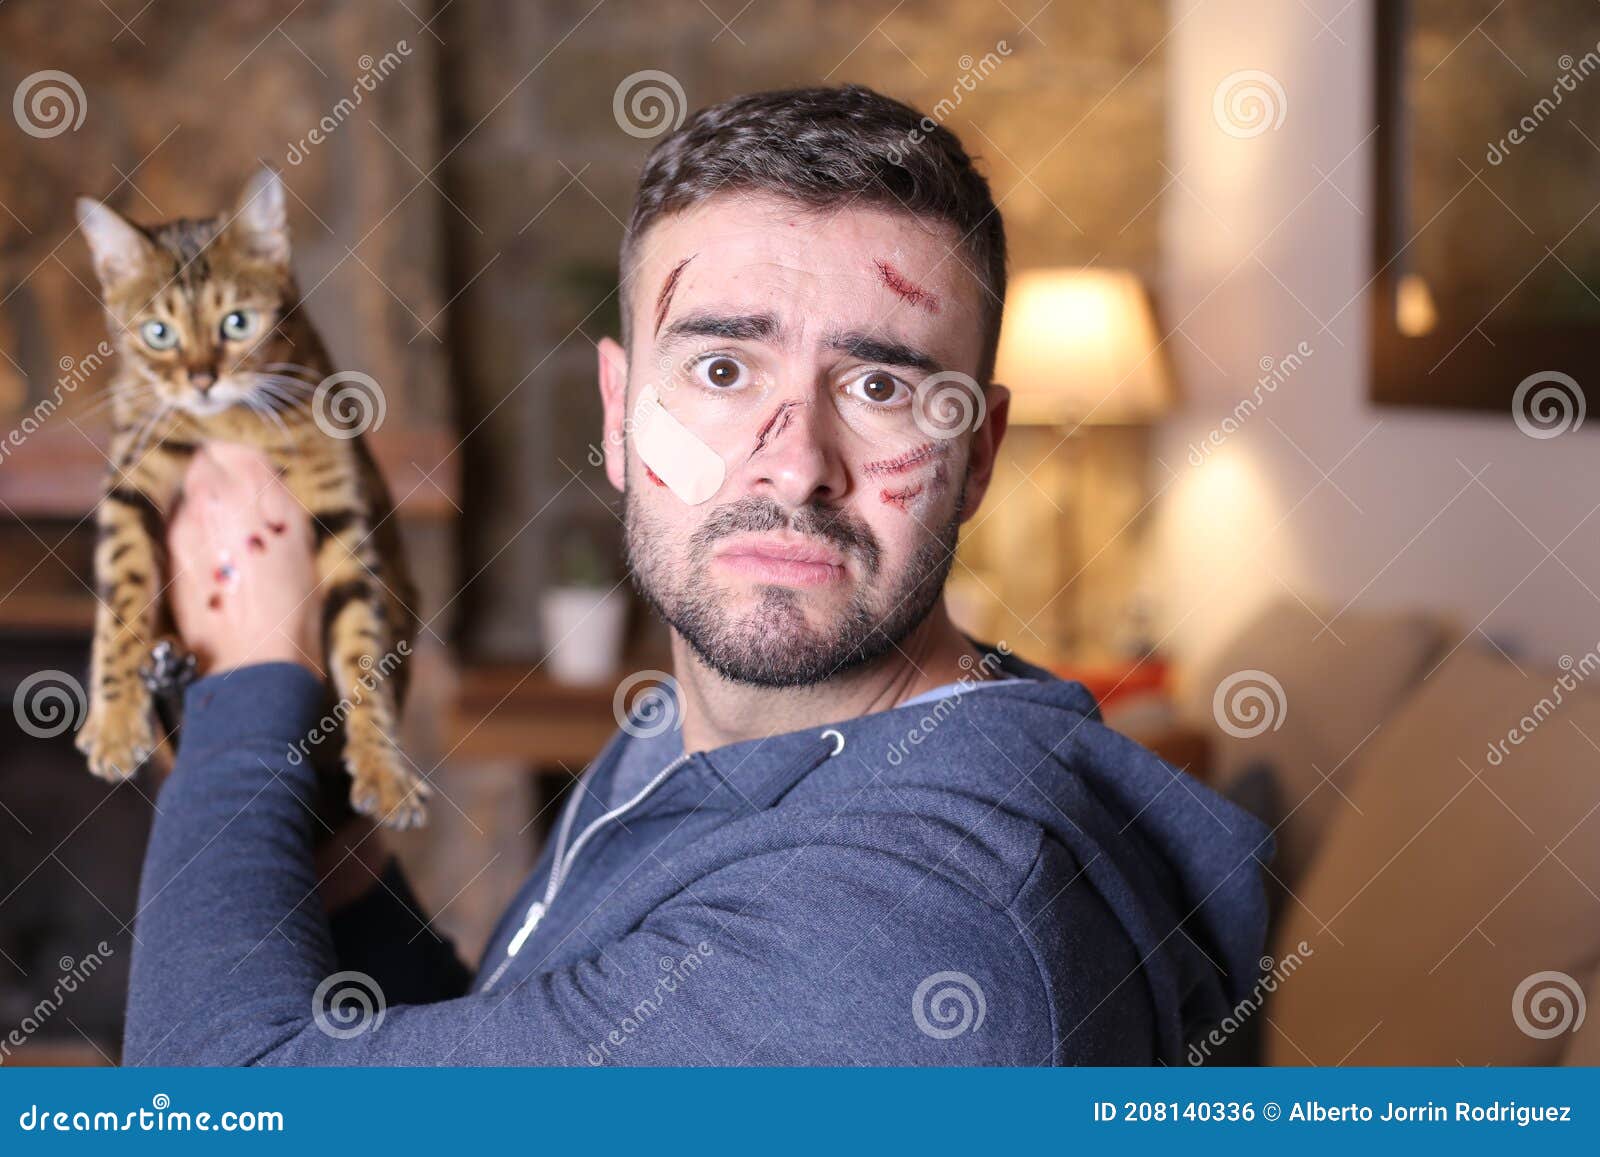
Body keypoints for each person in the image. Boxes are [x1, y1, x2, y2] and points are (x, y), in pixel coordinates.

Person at [122, 84, 1271, 1066]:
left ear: (976, 453)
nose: (795, 463)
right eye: (723, 368)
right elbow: (516, 1043)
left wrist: (253, 679)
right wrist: (325, 834)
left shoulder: (910, 935)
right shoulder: (697, 723)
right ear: (619, 414)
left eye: (880, 386)